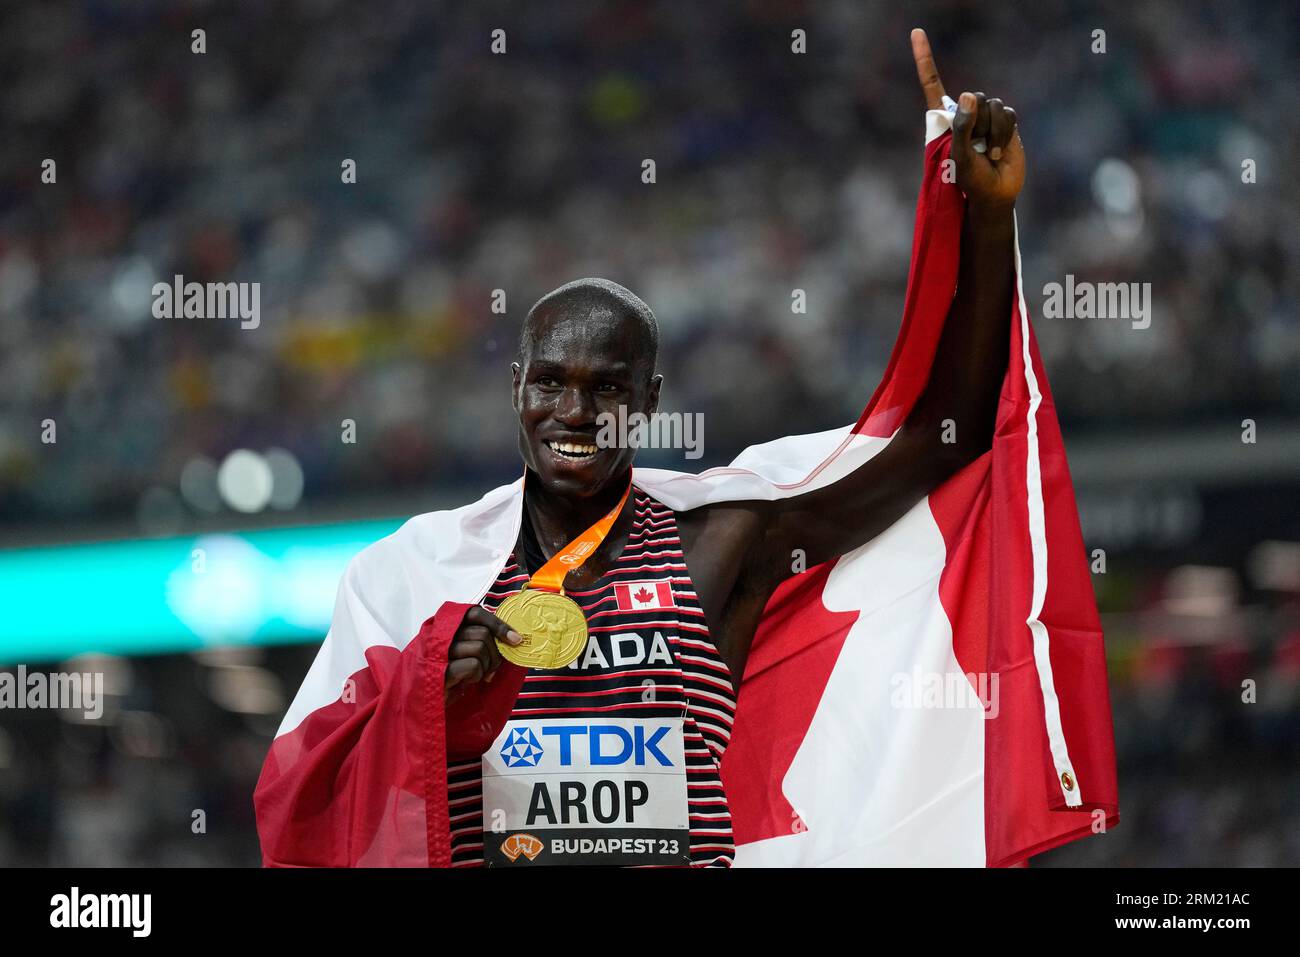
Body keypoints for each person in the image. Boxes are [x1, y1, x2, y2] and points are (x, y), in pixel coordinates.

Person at [257, 29, 1031, 867]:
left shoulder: (725, 541)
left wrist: (985, 217)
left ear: (650, 400)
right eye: (549, 382)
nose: (574, 411)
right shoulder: (421, 574)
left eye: (608, 387)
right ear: (514, 386)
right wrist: (428, 694)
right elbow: (305, 798)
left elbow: (942, 438)